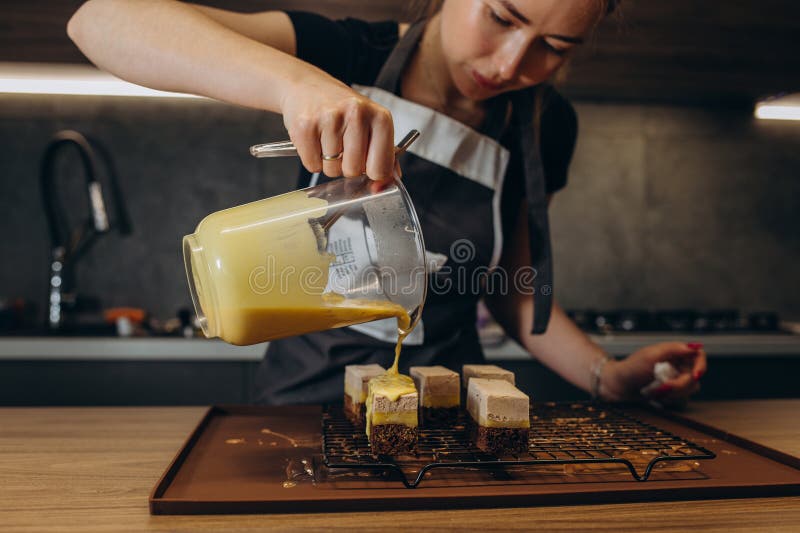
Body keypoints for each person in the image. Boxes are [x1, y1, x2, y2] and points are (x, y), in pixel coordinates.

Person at [68, 0, 706, 406]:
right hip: (301, 403)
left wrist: (607, 375)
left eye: (555, 49)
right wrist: (299, 85)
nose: (512, 63)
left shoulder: (545, 125)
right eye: (502, 18)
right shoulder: (347, 53)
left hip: (448, 419)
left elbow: (513, 286)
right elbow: (100, 20)